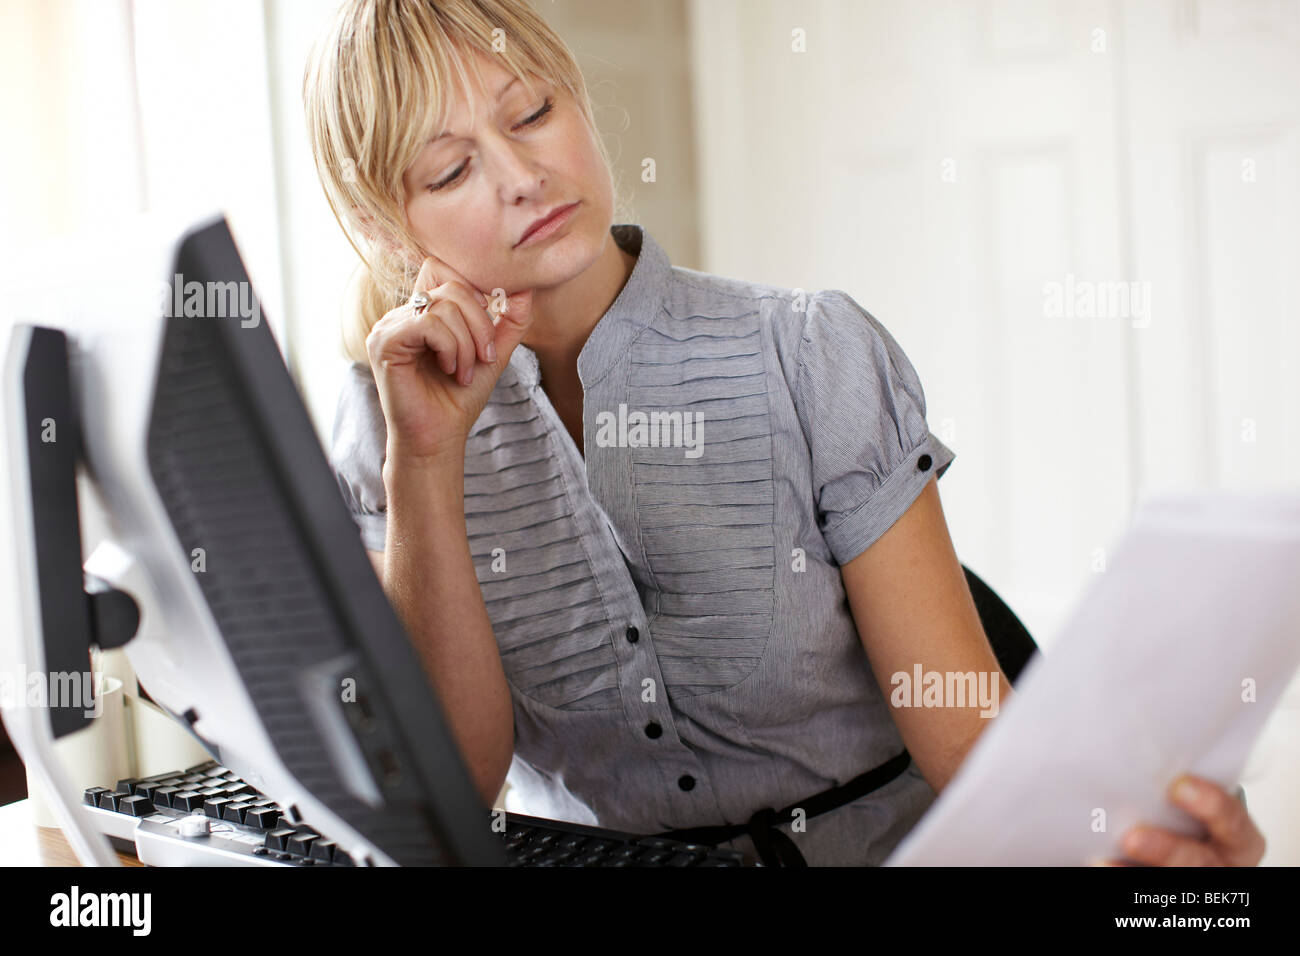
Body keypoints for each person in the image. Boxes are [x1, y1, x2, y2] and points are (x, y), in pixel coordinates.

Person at [302, 0, 1265, 866]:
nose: (522, 176)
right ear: (384, 228)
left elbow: (968, 741)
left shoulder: (809, 352)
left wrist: (1129, 847)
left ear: (578, 102)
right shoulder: (386, 425)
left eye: (532, 114)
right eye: (452, 167)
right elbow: (454, 795)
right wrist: (425, 462)